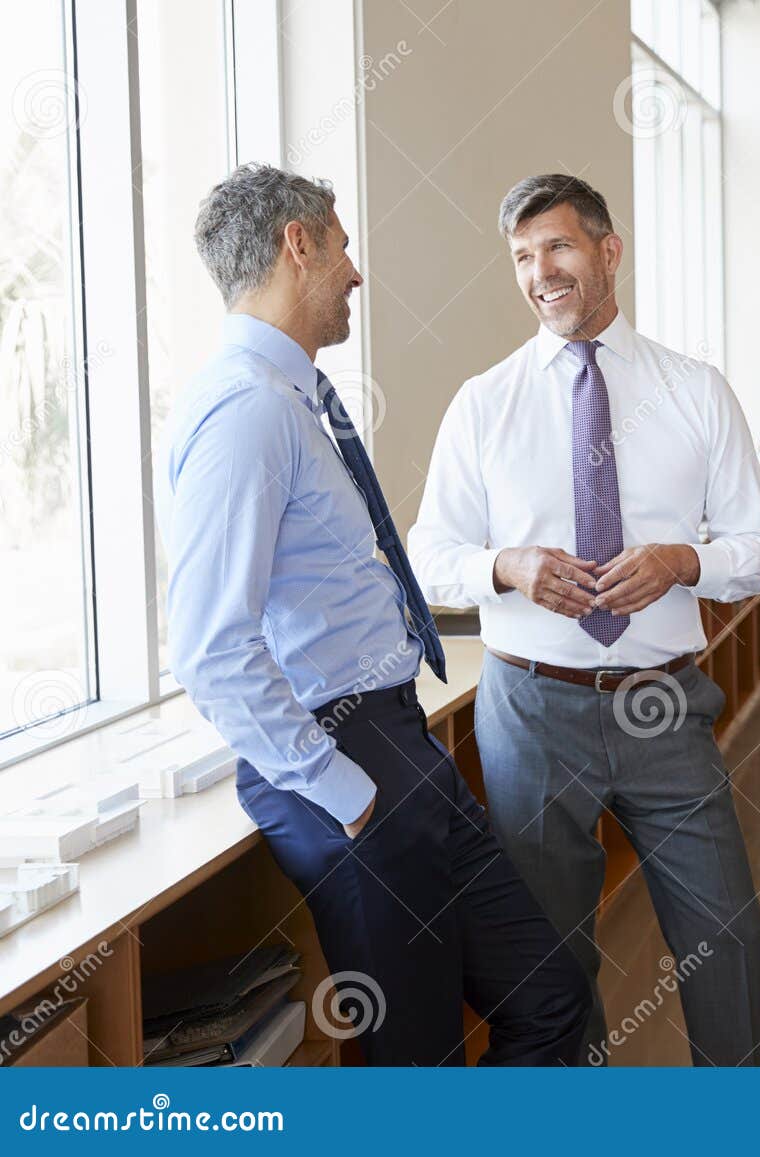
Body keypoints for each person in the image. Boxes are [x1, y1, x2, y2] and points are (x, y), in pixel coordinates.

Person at [158, 163, 590, 1066]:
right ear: (298, 243)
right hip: (344, 765)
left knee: (549, 996)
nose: (355, 271)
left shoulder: (295, 400)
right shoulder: (246, 411)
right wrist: (343, 792)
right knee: (415, 1060)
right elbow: (210, 646)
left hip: (398, 741)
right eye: (344, 245)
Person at [409, 174, 760, 1066]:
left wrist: (681, 561)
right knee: (551, 963)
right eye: (524, 257)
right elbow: (429, 552)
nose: (543, 272)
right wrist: (508, 565)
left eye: (560, 247)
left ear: (609, 252)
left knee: (724, 933)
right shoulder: (484, 402)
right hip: (531, 713)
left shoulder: (693, 389)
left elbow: (755, 549)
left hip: (665, 703)